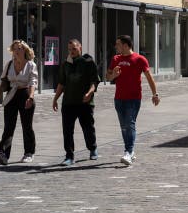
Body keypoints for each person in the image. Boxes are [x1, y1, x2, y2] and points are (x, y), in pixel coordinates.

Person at [105, 35, 160, 165]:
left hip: (134, 98)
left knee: (130, 124)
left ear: (125, 45)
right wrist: (114, 75)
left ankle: (128, 152)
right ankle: (130, 152)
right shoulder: (115, 59)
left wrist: (155, 94)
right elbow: (107, 78)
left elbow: (149, 77)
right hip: (118, 98)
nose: (116, 46)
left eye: (118, 44)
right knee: (124, 127)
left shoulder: (140, 59)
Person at [53, 39, 100, 166]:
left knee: (88, 128)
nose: (71, 51)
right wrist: (55, 99)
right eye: (69, 49)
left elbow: (94, 81)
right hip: (68, 103)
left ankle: (92, 148)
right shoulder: (65, 64)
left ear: (80, 47)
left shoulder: (88, 62)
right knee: (67, 130)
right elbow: (62, 83)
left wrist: (89, 93)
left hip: (85, 103)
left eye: (74, 49)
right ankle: (69, 156)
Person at [0, 40, 38, 165]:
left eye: (19, 49)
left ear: (25, 50)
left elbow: (33, 82)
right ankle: (3, 154)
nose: (16, 51)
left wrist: (31, 97)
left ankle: (29, 153)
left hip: (25, 94)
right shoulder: (9, 65)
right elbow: (3, 82)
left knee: (27, 126)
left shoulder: (31, 65)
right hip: (12, 95)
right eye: (14, 49)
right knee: (9, 126)